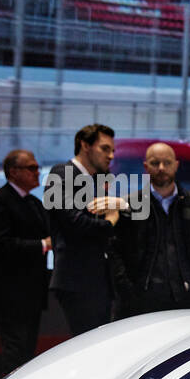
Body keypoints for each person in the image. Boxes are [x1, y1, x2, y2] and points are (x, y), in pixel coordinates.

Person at [110, 143, 190, 317]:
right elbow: (115, 252)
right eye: (155, 163)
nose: (161, 168)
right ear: (146, 167)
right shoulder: (130, 205)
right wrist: (128, 291)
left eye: (167, 163)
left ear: (176, 165)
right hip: (142, 300)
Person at [45, 123, 123, 335]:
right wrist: (110, 221)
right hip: (77, 279)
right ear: (85, 145)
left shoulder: (98, 180)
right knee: (88, 347)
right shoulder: (61, 173)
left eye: (113, 150)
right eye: (105, 148)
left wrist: (119, 208)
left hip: (98, 279)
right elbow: (74, 223)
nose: (111, 155)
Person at [0, 149, 50, 374]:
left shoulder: (33, 201)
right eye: (31, 168)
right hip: (8, 291)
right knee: (15, 348)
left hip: (30, 290)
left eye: (37, 167)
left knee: (27, 349)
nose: (37, 172)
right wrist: (42, 245)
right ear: (13, 172)